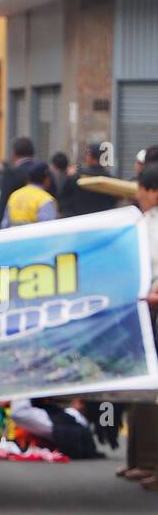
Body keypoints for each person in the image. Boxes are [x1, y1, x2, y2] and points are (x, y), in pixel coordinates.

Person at [123, 163, 158, 489]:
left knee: (152, 390)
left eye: (142, 189)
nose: (138, 194)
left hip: (152, 308)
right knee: (142, 386)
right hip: (144, 312)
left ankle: (150, 462)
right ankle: (139, 459)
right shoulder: (141, 221)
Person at [57, 142, 118, 218]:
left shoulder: (76, 177)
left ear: (89, 156)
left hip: (78, 221)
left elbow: (62, 198)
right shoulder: (111, 180)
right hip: (103, 222)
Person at [0, 136, 36, 228]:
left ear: (14, 154)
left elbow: (3, 201)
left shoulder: (11, 173)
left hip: (15, 223)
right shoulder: (43, 172)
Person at [2, 160, 57, 227]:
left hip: (13, 236)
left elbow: (4, 225)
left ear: (28, 179)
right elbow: (48, 229)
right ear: (47, 180)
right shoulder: (46, 200)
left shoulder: (14, 196)